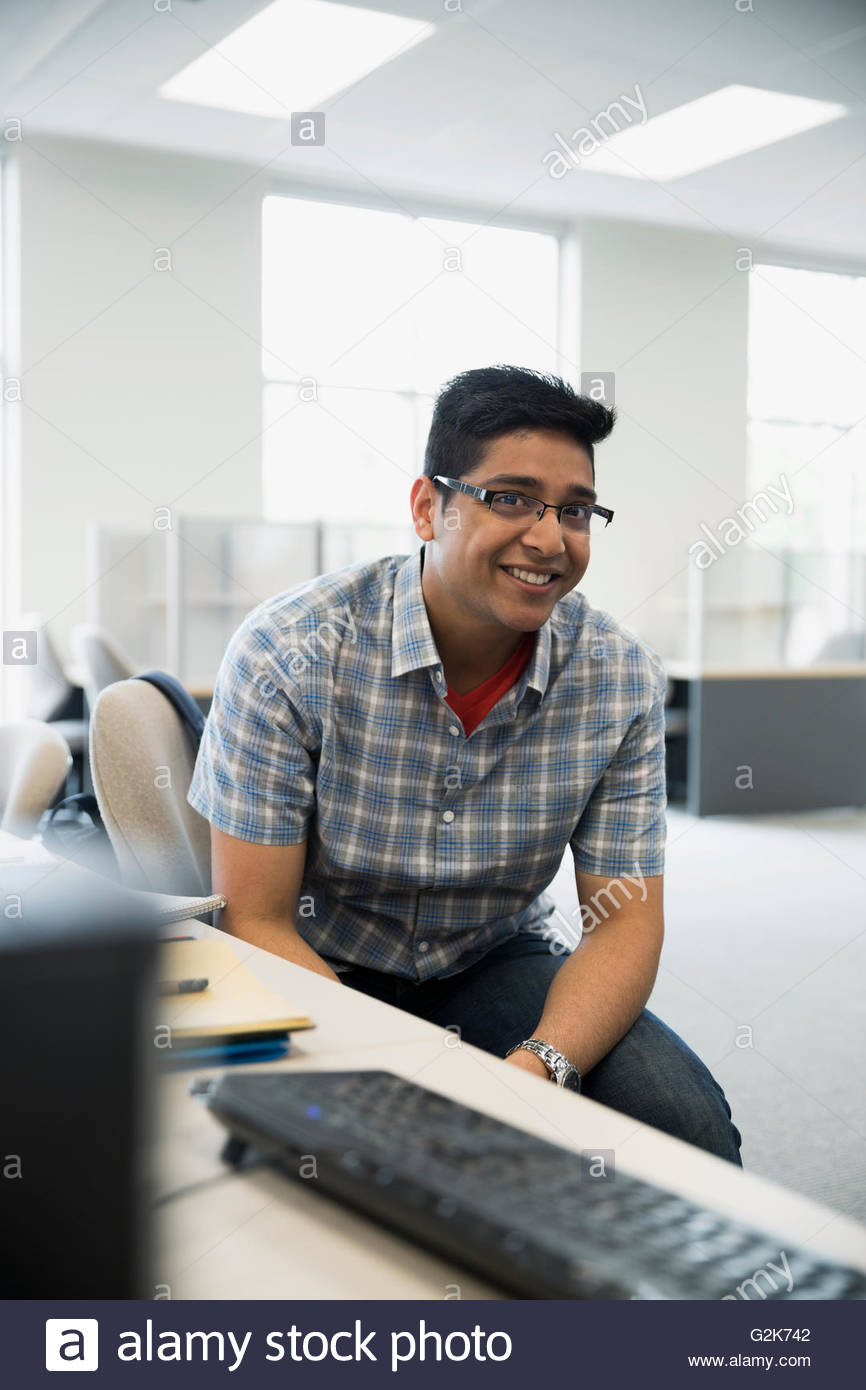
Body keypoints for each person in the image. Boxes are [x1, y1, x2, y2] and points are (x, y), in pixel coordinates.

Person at [188, 364, 742, 1164]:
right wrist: (398, 1070)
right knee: (330, 1162)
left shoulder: (618, 677)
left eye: (576, 510)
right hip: (318, 956)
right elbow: (258, 919)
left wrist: (540, 1067)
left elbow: (623, 919)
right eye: (511, 498)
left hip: (488, 954)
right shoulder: (292, 650)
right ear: (428, 507)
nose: (550, 538)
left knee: (683, 1129)